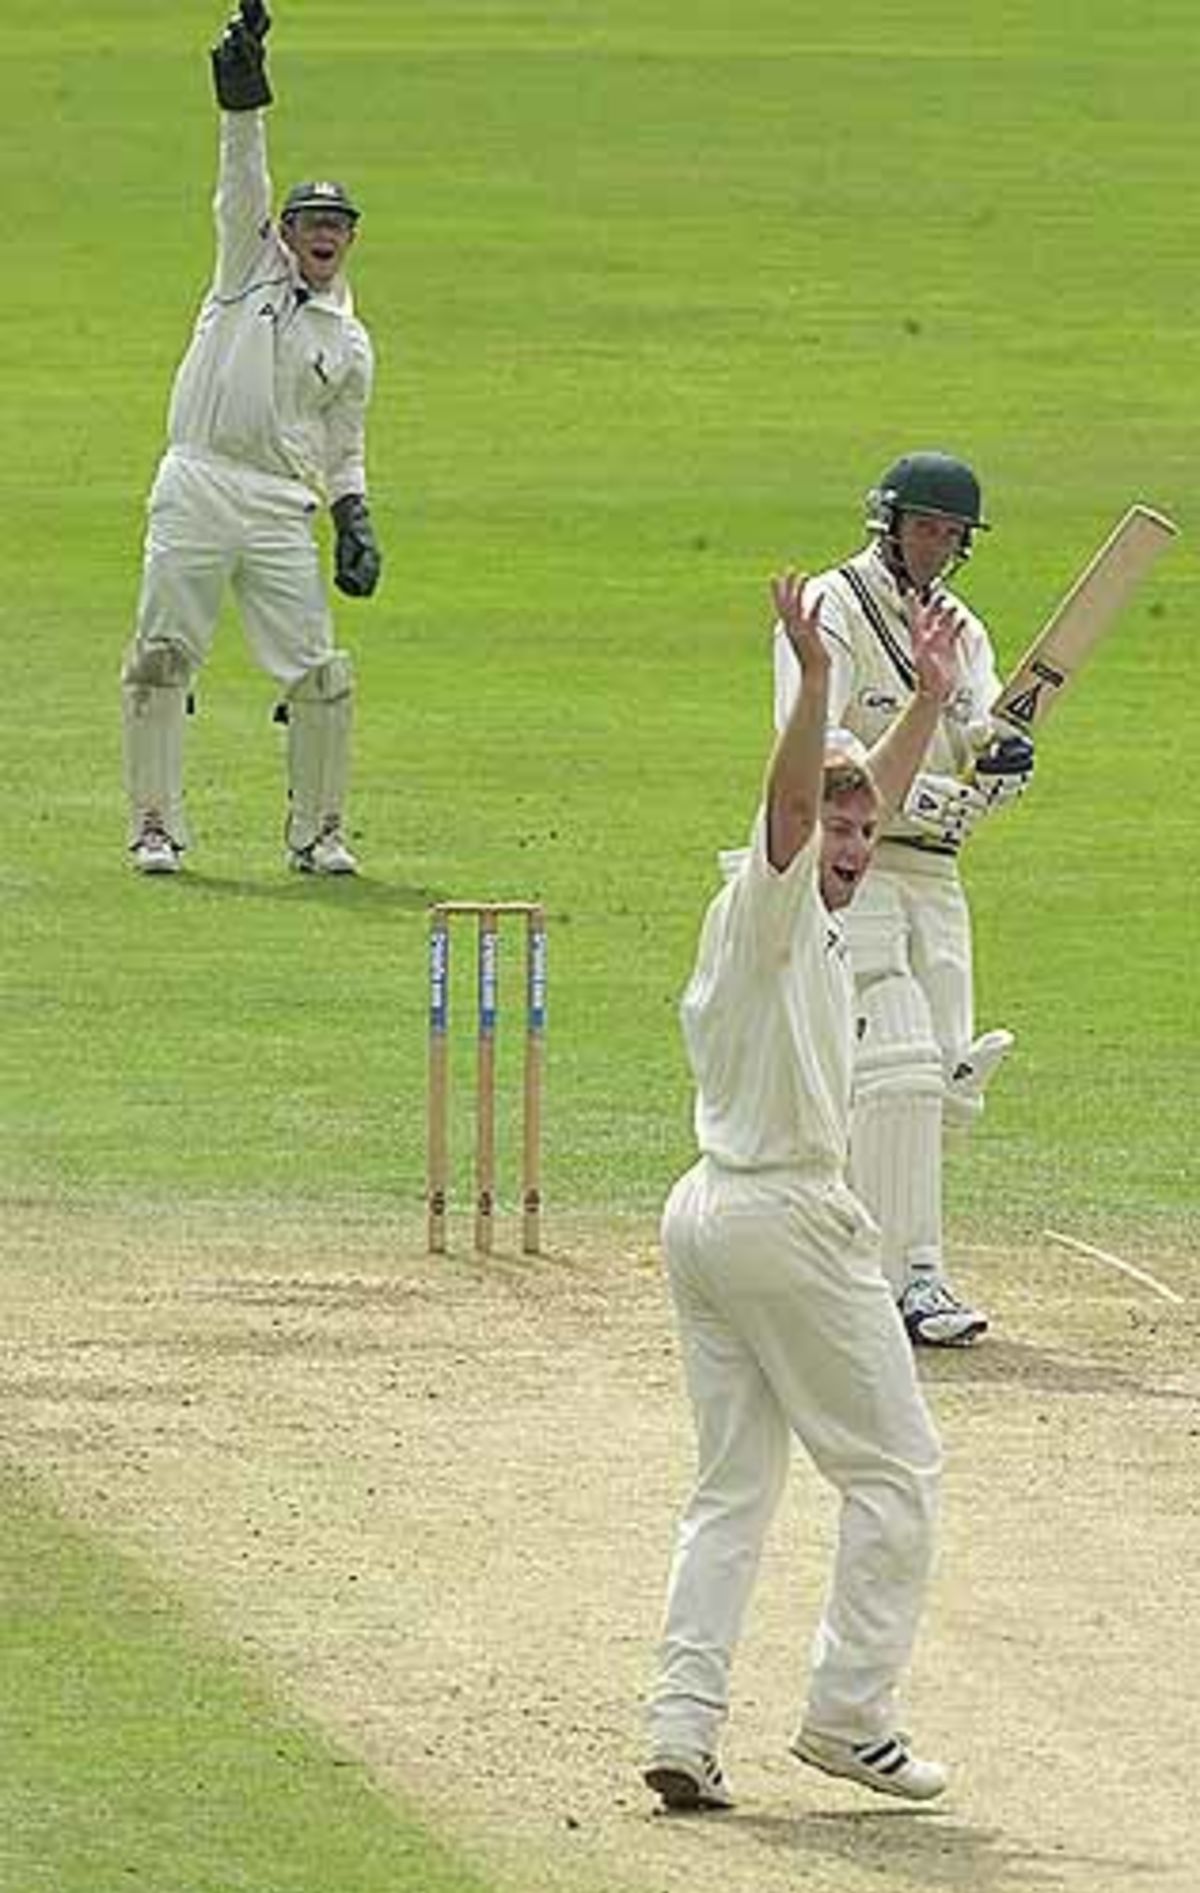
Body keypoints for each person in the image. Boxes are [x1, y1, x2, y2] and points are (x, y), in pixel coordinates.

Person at [643, 570, 964, 1815]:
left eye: (862, 833)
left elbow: (855, 790)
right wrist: (818, 680)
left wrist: (927, 703)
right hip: (783, 1218)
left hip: (709, 1215)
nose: (848, 846)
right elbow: (796, 804)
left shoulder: (814, 910)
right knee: (896, 1475)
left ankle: (681, 1719)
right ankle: (849, 1714)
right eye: (833, 828)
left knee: (734, 1485)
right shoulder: (765, 904)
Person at [773, 454, 1033, 1346]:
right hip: (855, 861)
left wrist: (1000, 767)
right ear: (888, 524)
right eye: (925, 525)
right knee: (900, 1064)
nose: (938, 543)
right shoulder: (832, 610)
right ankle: (909, 1278)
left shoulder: (961, 625)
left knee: (949, 1074)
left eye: (952, 532)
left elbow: (978, 730)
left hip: (936, 872)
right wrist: (917, 793)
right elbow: (816, 741)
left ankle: (831, 1241)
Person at [120, 0, 382, 876]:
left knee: (322, 676)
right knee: (160, 658)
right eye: (309, 224)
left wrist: (354, 519)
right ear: (285, 232)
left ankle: (318, 833)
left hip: (278, 506)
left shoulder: (348, 339)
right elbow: (242, 175)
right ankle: (155, 826)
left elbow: (343, 440)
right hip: (196, 482)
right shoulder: (244, 268)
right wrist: (244, 97)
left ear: (348, 243)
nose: (321, 238)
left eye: (336, 229)